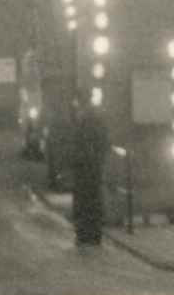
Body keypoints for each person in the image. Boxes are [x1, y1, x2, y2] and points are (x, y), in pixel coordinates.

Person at [68, 99, 109, 248]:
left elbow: (75, 147)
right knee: (94, 200)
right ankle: (94, 234)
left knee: (83, 202)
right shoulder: (99, 125)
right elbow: (104, 145)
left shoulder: (80, 126)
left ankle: (83, 234)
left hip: (82, 170)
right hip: (94, 170)